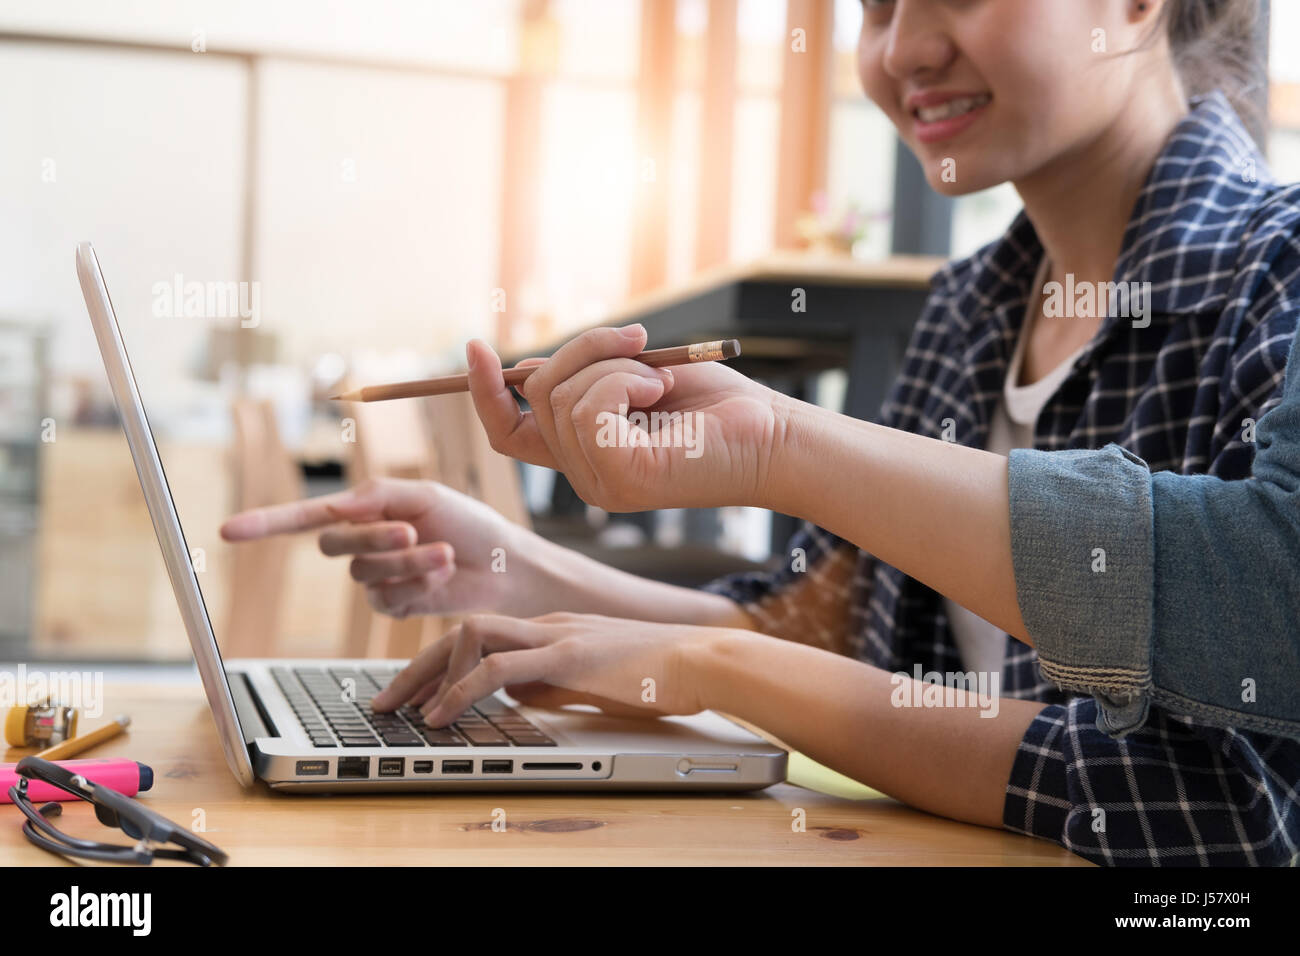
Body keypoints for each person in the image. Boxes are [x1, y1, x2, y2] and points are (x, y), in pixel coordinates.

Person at [222, 0, 1299, 865]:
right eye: (874, 6)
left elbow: (1220, 810)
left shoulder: (1274, 275)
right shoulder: (972, 302)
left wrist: (719, 664)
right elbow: (831, 624)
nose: (901, 48)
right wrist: (516, 566)